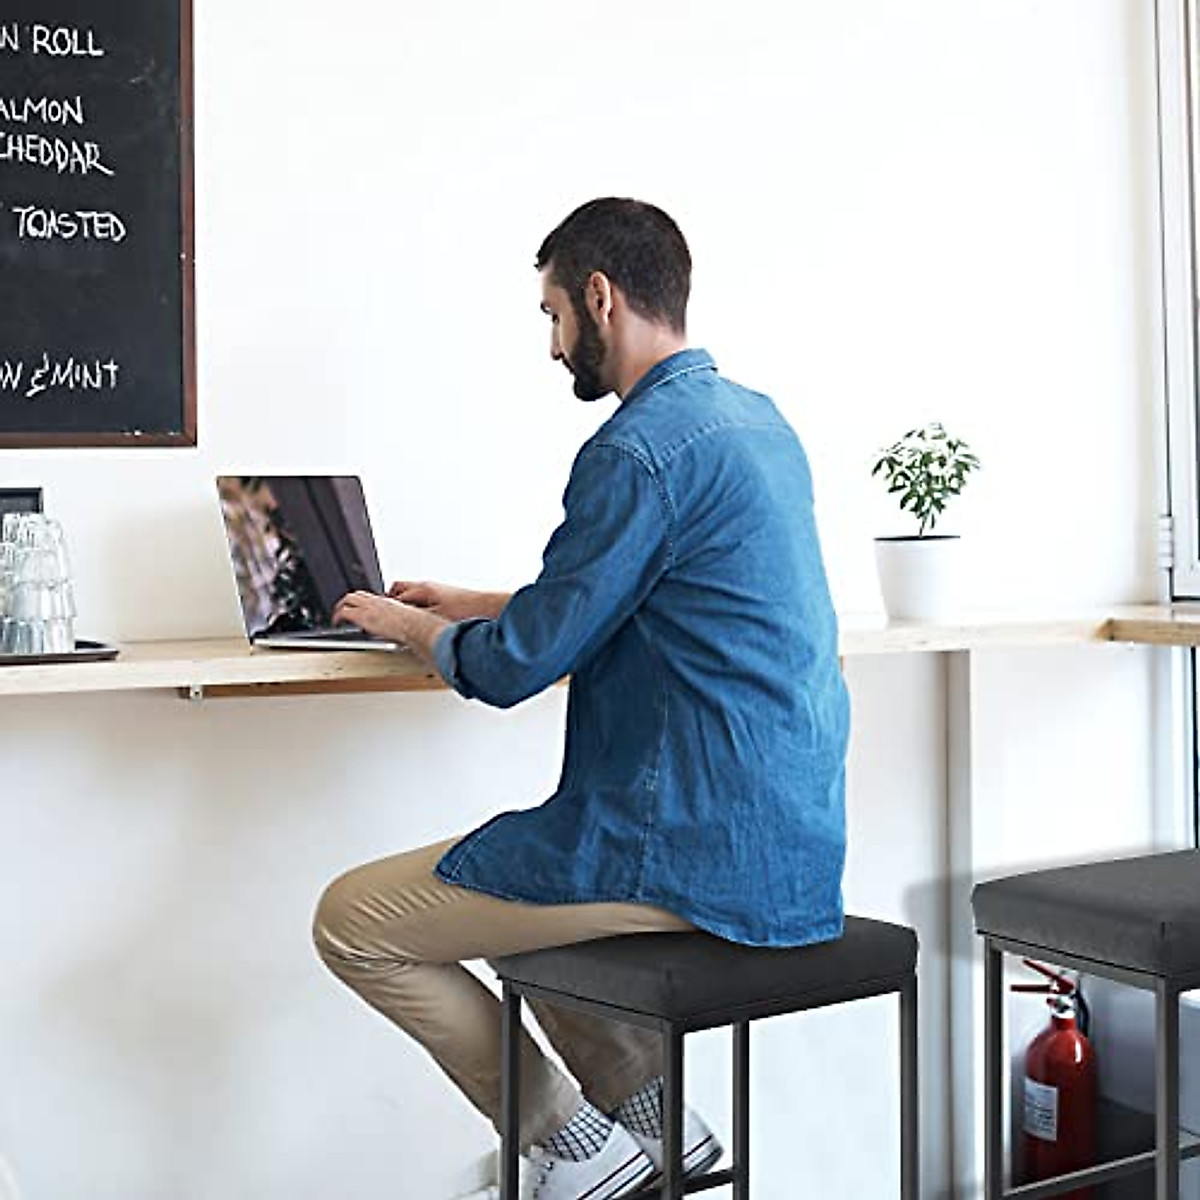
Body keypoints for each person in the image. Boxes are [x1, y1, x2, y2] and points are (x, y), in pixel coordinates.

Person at [314, 197, 850, 1200]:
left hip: (688, 848)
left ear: (599, 298)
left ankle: (574, 1150)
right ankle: (663, 1132)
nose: (556, 346)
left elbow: (513, 668)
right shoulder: (755, 423)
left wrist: (415, 630)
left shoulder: (635, 451)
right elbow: (635, 599)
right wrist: (470, 601)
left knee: (352, 921)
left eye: (555, 315)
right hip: (791, 846)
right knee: (535, 913)